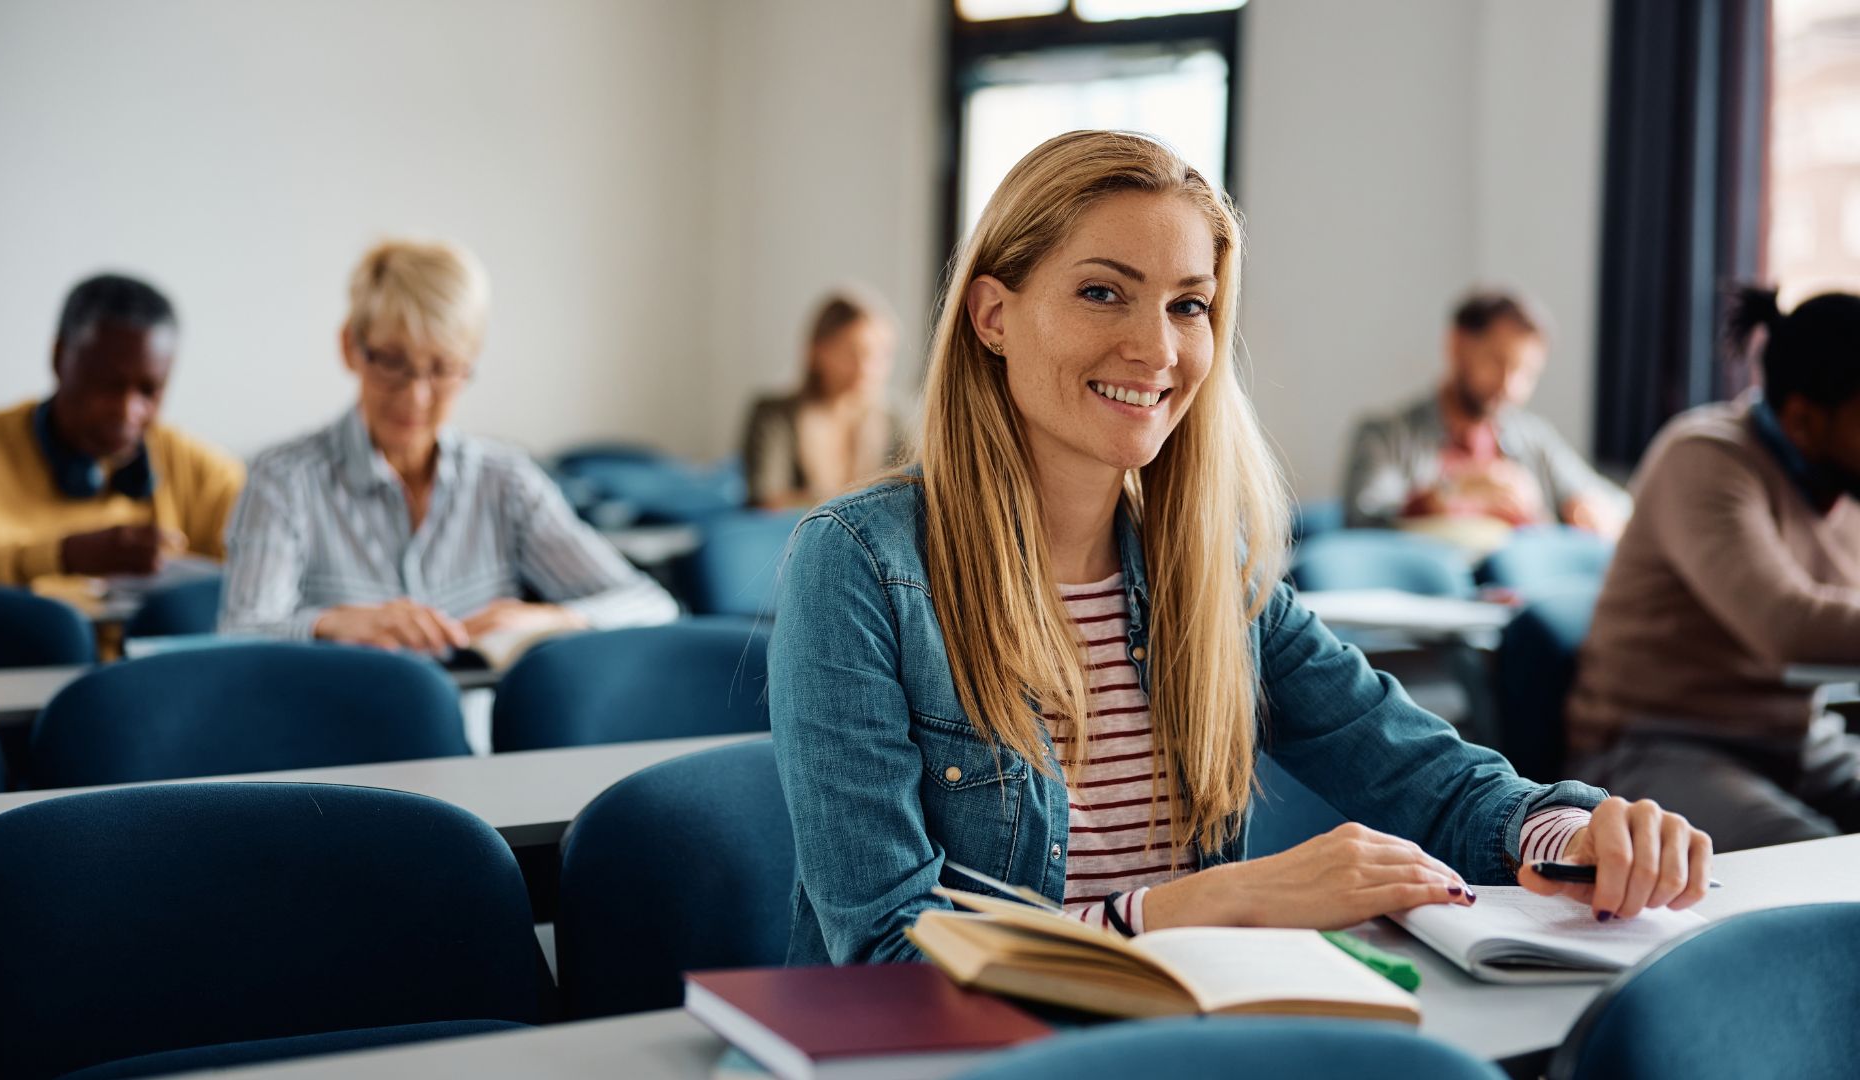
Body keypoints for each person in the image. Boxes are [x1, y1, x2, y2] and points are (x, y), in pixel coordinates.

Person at [770, 131, 1709, 967]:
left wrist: (1569, 833)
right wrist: (1216, 903)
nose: (1158, 348)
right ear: (993, 316)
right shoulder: (856, 563)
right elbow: (889, 950)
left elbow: (1416, 768)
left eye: (1189, 306)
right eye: (1104, 293)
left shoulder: (1208, 566)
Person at [219, 238, 678, 649]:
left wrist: (553, 618)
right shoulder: (282, 480)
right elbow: (240, 633)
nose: (416, 395)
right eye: (392, 362)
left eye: (442, 368)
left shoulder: (505, 481)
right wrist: (333, 623)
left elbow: (651, 604)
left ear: (470, 363)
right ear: (350, 348)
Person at [1567, 286, 1860, 851]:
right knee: (1823, 865)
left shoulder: (1845, 480)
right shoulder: (1705, 458)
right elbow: (1787, 624)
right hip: (1658, 745)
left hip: (1797, 742)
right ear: (1803, 419)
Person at [0, 274, 244, 587]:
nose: (127, 411)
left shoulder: (202, 471)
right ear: (59, 357)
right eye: (108, 386)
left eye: (148, 391)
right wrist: (63, 557)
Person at [1342, 290, 1627, 545]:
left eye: (1527, 374)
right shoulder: (1385, 435)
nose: (1510, 386)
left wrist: (1586, 507)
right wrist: (1452, 490)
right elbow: (1364, 518)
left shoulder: (1534, 438)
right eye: (1497, 362)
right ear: (1456, 346)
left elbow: (1618, 503)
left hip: (1517, 589)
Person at [741, 291, 903, 509]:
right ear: (817, 350)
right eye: (852, 352)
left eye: (880, 355)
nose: (866, 368)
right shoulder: (774, 415)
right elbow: (767, 500)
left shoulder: (897, 420)